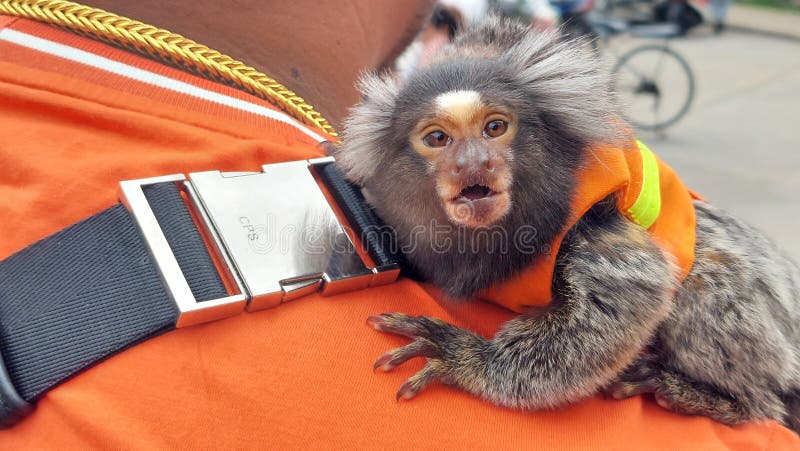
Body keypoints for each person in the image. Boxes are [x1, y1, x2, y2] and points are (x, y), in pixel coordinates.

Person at [0, 0, 797, 448]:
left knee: (714, 283)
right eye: (437, 141)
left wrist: (492, 367)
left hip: (727, 316)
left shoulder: (571, 195)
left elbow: (627, 292)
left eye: (496, 130)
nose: (472, 162)